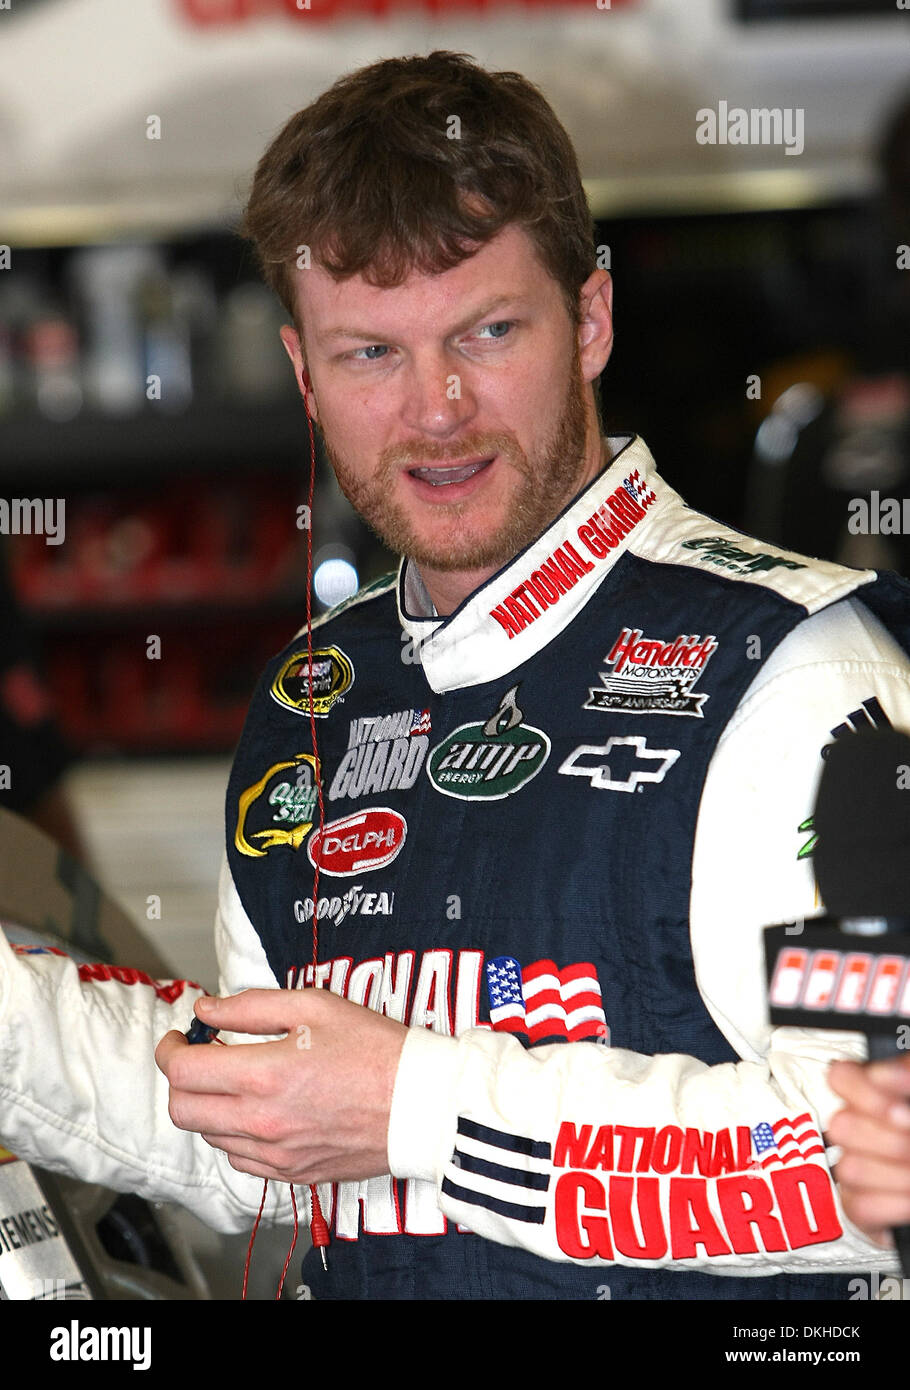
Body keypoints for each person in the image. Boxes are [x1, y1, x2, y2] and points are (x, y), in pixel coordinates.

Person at [3, 50, 910, 1302]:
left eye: (486, 331)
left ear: (590, 320)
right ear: (304, 371)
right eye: (371, 353)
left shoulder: (804, 670)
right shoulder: (316, 698)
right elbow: (271, 1152)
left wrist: (414, 1104)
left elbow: (863, 1183)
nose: (436, 410)